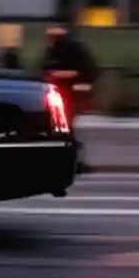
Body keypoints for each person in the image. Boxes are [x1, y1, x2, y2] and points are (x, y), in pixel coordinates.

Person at [41, 23, 100, 173]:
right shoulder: (55, 48)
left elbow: (86, 71)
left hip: (69, 94)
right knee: (63, 128)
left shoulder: (70, 48)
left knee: (64, 128)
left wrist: (60, 74)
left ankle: (72, 159)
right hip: (60, 93)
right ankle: (70, 159)